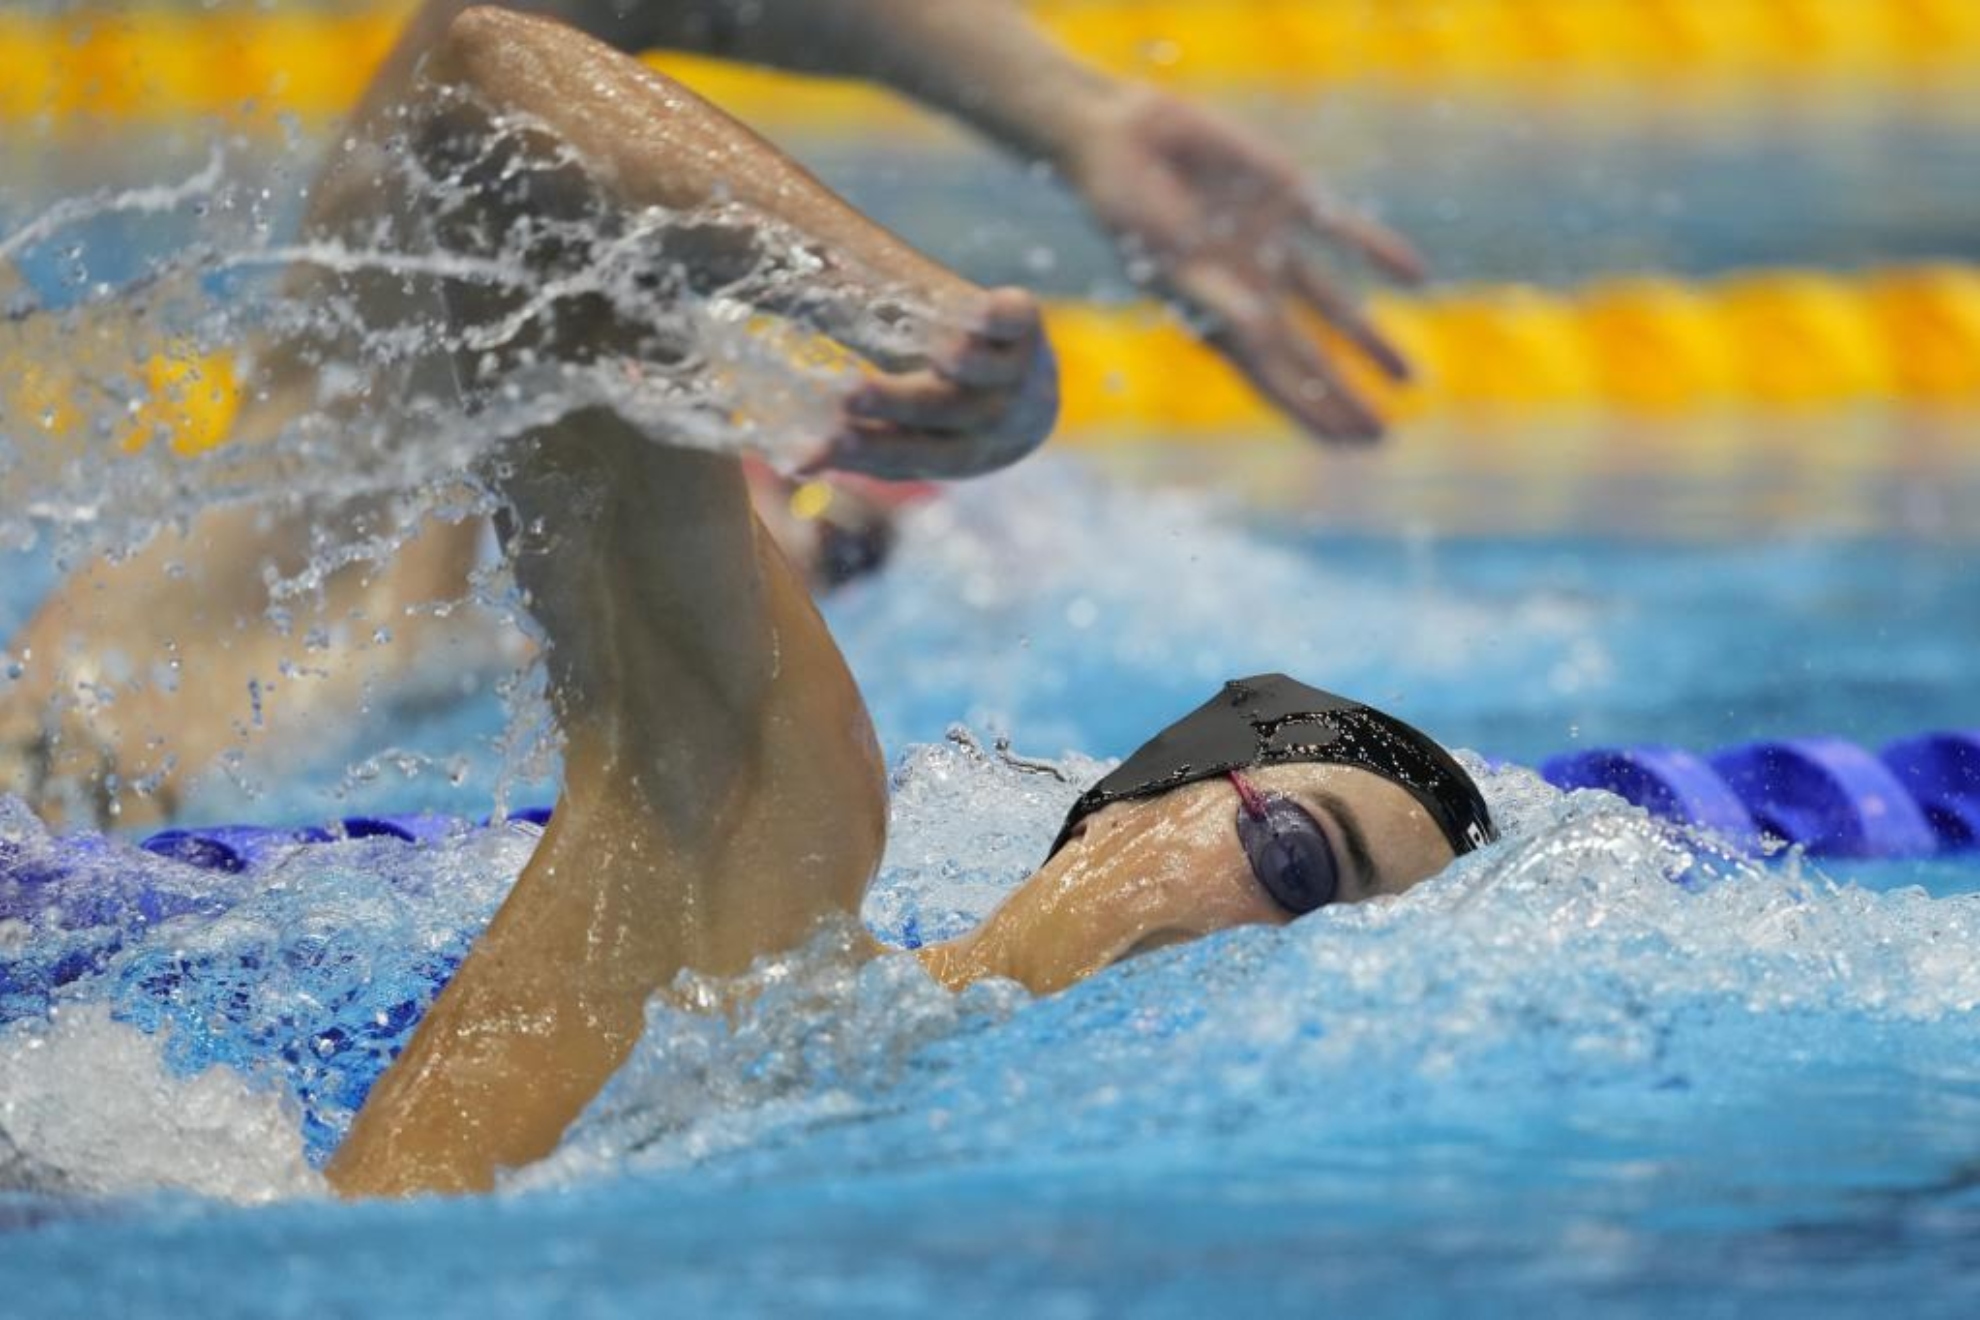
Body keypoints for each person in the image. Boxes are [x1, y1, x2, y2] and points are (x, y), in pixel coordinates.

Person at [205, 8, 1490, 1199]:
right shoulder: (771, 867)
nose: (1297, 986)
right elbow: (493, 87)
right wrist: (908, 309)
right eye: (1299, 865)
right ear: (1115, 817)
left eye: (1365, 984)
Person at [1, 0, 1422, 830]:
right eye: (799, 452)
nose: (790, 509)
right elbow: (481, 66)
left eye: (850, 546)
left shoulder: (727, 819)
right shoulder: (317, 533)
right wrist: (1070, 122)